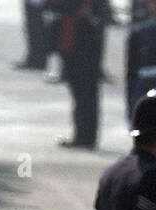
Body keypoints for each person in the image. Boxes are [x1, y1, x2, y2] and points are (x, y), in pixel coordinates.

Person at [48, 0, 109, 148]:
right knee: (80, 90)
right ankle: (83, 134)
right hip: (73, 34)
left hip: (81, 37)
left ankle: (85, 136)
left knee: (84, 91)